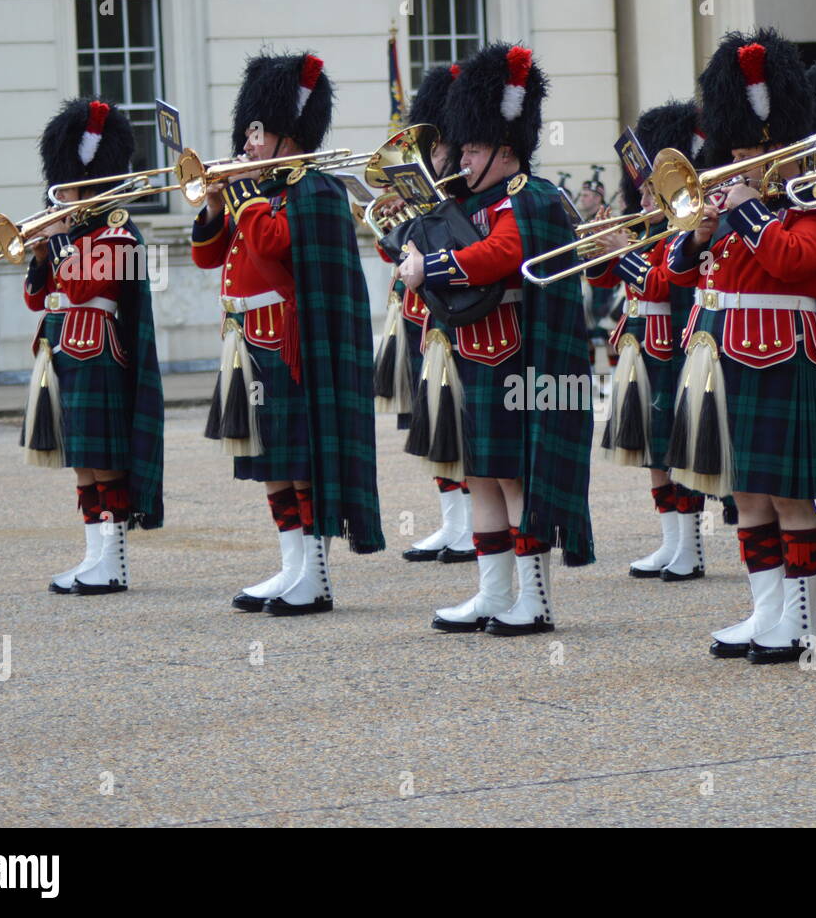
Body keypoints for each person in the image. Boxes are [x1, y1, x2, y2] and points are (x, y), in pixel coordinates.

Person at [666, 28, 816, 662]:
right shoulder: (733, 204)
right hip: (726, 350)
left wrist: (750, 211)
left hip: (788, 350)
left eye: (756, 150)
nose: (743, 160)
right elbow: (681, 274)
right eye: (739, 149)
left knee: (789, 495)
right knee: (746, 492)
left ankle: (802, 622)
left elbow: (796, 265)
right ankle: (766, 611)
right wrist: (699, 235)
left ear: (784, 148)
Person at [398, 42, 594, 634]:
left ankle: (533, 600)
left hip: (519, 360)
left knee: (515, 475)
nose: (463, 156)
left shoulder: (526, 198)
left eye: (476, 147)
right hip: (474, 352)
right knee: (479, 471)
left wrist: (430, 268)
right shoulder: (472, 198)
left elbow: (504, 254)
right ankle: (493, 592)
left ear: (505, 150)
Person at [194, 50, 384, 615]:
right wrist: (212, 203)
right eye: (249, 132)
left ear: (287, 135)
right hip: (249, 337)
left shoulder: (313, 189)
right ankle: (291, 565)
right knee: (271, 459)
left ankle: (317, 578)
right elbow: (211, 256)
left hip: (293, 341)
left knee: (301, 460)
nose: (248, 143)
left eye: (260, 132)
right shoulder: (263, 190)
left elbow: (275, 245)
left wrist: (245, 194)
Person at [22, 98, 164, 594]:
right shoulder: (75, 231)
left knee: (105, 459)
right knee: (81, 459)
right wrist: (40, 256)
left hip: (98, 349)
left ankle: (115, 562)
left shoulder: (118, 231)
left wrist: (59, 241)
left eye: (71, 183)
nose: (61, 194)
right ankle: (92, 556)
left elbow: (86, 289)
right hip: (61, 347)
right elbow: (38, 298)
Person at [586, 100, 707, 581]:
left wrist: (623, 250)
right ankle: (670, 539)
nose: (641, 196)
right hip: (639, 341)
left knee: (677, 445)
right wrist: (602, 249)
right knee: (653, 449)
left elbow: (664, 283)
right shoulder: (644, 223)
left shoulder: (683, 228)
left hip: (673, 342)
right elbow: (602, 282)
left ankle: (691, 546)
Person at [372, 64, 477, 564]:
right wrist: (392, 225)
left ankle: (472, 524)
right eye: (431, 152)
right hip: (417, 315)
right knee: (430, 421)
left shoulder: (463, 196)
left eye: (438, 151)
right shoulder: (423, 192)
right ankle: (452, 521)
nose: (434, 159)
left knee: (456, 419)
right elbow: (396, 254)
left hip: (453, 316)